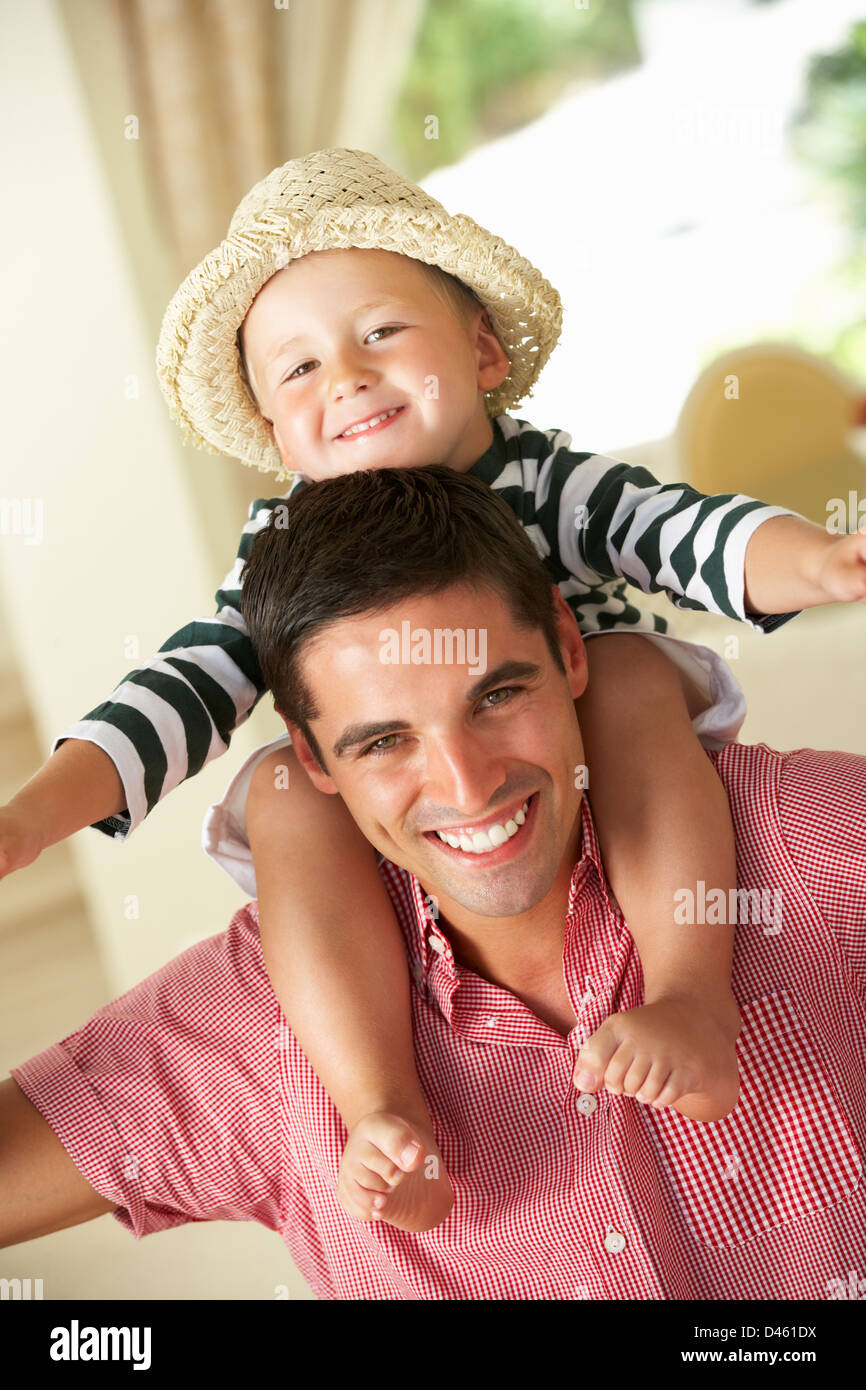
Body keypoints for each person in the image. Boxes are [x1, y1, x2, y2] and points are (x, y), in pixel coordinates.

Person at [2, 149, 865, 1233]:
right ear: (275, 434)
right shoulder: (283, 550)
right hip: (393, 872)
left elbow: (684, 532)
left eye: (378, 334)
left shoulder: (546, 480)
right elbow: (179, 687)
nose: (349, 378)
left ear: (482, 347)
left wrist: (819, 563)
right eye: (300, 369)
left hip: (607, 741)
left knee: (636, 674)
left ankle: (689, 997)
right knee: (276, 789)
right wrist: (34, 813)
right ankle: (380, 1106)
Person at [2, 465, 863, 1302]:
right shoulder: (263, 1019)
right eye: (383, 741)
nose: (467, 783)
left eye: (496, 696)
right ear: (313, 754)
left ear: (568, 650)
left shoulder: (804, 845)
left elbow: (693, 533)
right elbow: (160, 707)